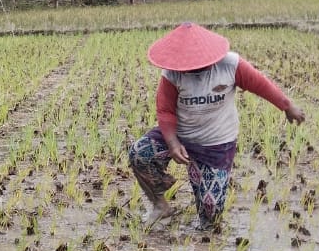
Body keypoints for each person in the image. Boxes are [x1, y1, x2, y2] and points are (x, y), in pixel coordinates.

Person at [128, 22, 305, 230]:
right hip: (182, 135)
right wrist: (173, 142)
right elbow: (165, 110)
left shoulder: (231, 64)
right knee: (140, 153)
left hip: (216, 143)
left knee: (210, 218)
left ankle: (203, 198)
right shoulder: (172, 73)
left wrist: (286, 106)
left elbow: (261, 85)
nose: (192, 69)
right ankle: (160, 206)